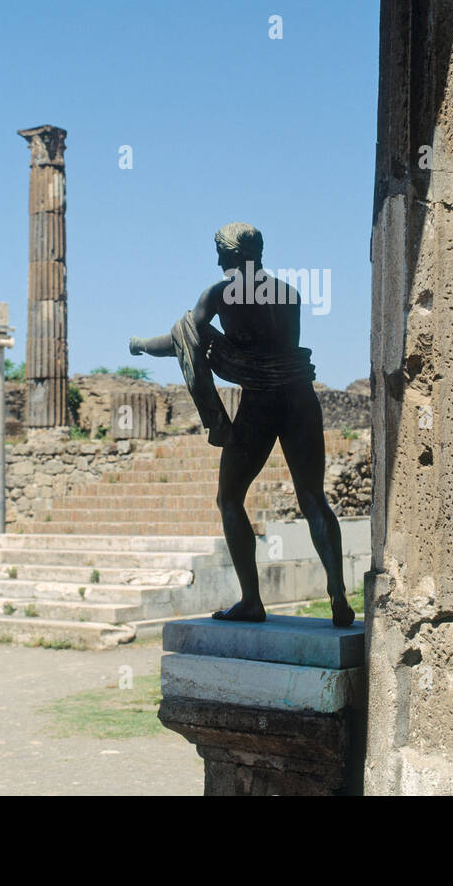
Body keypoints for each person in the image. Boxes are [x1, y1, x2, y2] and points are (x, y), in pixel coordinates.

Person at [129, 222, 353, 627]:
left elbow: (185, 340)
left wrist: (142, 344)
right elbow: (276, 351)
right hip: (301, 398)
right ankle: (337, 591)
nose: (216, 260)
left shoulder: (219, 294)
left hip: (261, 403)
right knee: (313, 497)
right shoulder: (289, 293)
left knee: (229, 498)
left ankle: (251, 600)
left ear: (232, 254)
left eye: (219, 251)